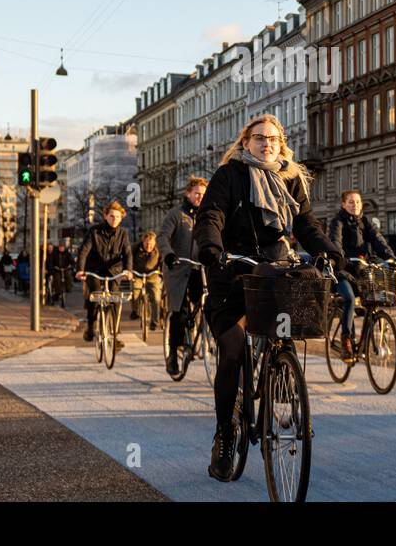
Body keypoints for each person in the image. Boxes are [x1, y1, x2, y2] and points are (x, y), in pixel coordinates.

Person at [194, 114, 342, 482]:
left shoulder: (291, 179)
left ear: (281, 143)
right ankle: (226, 434)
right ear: (246, 142)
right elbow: (210, 215)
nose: (267, 144)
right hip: (232, 266)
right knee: (230, 348)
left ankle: (282, 377)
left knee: (286, 328)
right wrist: (212, 246)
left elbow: (307, 226)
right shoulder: (230, 175)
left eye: (273, 139)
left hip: (274, 268)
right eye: (260, 138)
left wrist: (331, 251)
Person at [327, 190, 395, 362]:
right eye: (350, 202)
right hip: (343, 271)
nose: (355, 205)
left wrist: (391, 258)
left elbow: (378, 240)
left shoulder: (365, 222)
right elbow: (335, 242)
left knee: (374, 299)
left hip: (361, 270)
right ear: (343, 204)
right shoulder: (337, 222)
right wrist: (340, 258)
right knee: (349, 299)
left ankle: (366, 340)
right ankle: (346, 340)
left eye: (357, 202)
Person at [158, 176, 208, 377]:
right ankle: (172, 356)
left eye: (203, 195)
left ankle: (206, 338)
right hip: (178, 270)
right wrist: (168, 255)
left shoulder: (207, 216)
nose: (200, 198)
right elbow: (162, 237)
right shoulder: (176, 215)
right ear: (188, 193)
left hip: (199, 269)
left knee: (209, 303)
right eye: (197, 193)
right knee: (179, 313)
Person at [76, 201, 133, 344]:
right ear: (106, 216)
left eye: (118, 217)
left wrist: (128, 271)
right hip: (94, 269)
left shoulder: (123, 234)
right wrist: (80, 270)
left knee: (115, 298)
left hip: (114, 270)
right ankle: (90, 326)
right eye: (112, 216)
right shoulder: (94, 231)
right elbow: (83, 251)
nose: (115, 220)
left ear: (121, 218)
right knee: (94, 296)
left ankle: (113, 333)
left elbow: (127, 253)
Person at [130, 231, 163, 329]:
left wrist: (162, 271)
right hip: (138, 275)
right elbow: (129, 260)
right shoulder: (135, 248)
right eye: (147, 243)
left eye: (151, 244)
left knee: (156, 297)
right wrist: (129, 271)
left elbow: (163, 262)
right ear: (143, 242)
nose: (149, 246)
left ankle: (155, 321)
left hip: (153, 276)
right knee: (135, 290)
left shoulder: (158, 250)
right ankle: (135, 310)